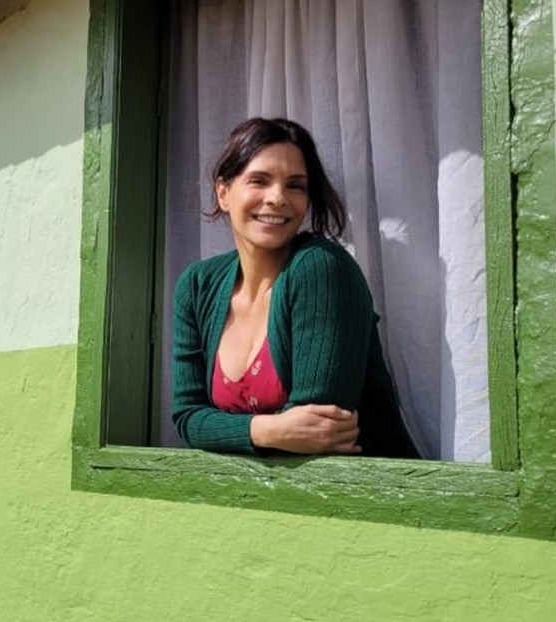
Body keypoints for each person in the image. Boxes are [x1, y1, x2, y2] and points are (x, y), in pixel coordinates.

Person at [172, 118, 421, 459]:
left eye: (296, 185)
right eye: (259, 180)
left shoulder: (320, 268)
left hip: (369, 500)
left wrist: (223, 431)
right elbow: (188, 418)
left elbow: (318, 429)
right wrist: (268, 429)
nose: (277, 198)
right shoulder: (198, 286)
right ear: (224, 192)